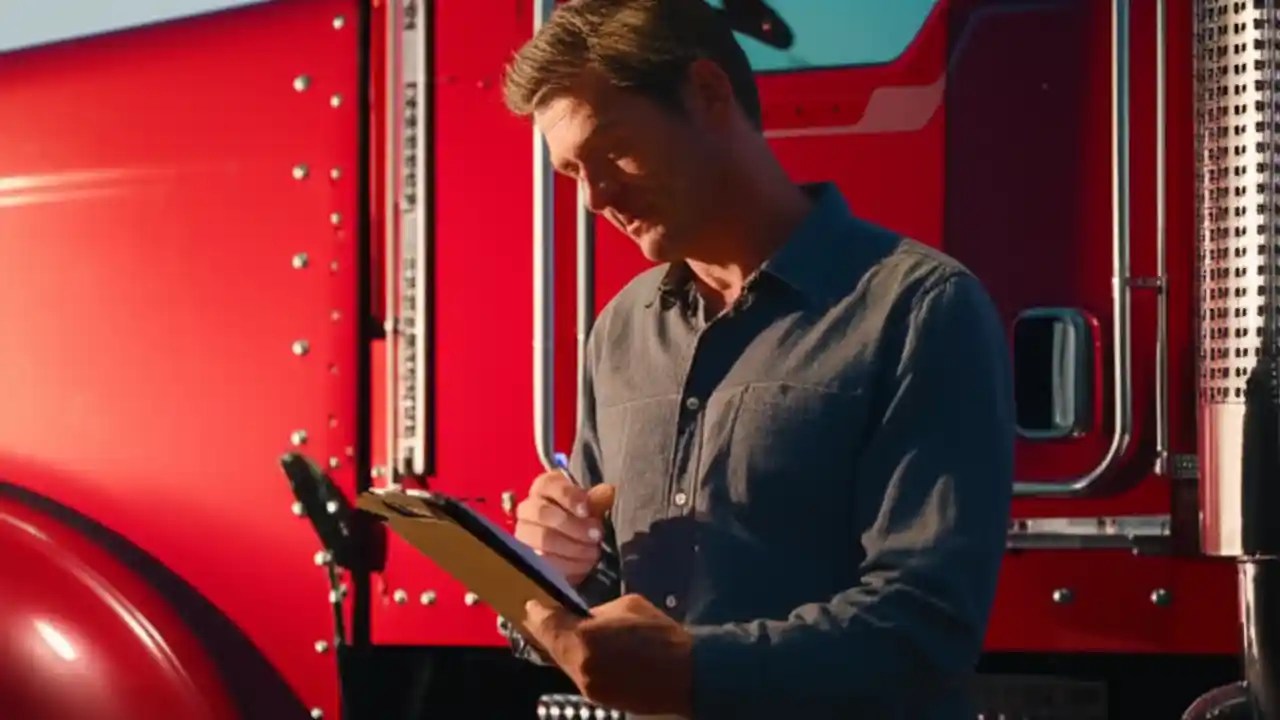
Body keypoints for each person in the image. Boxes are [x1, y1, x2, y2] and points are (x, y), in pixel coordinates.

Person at [497, 0, 1016, 717]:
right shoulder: (619, 331)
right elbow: (613, 593)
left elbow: (925, 626)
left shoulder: (920, 310)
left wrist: (696, 671)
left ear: (708, 94)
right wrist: (555, 568)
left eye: (610, 149)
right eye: (570, 173)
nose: (593, 198)